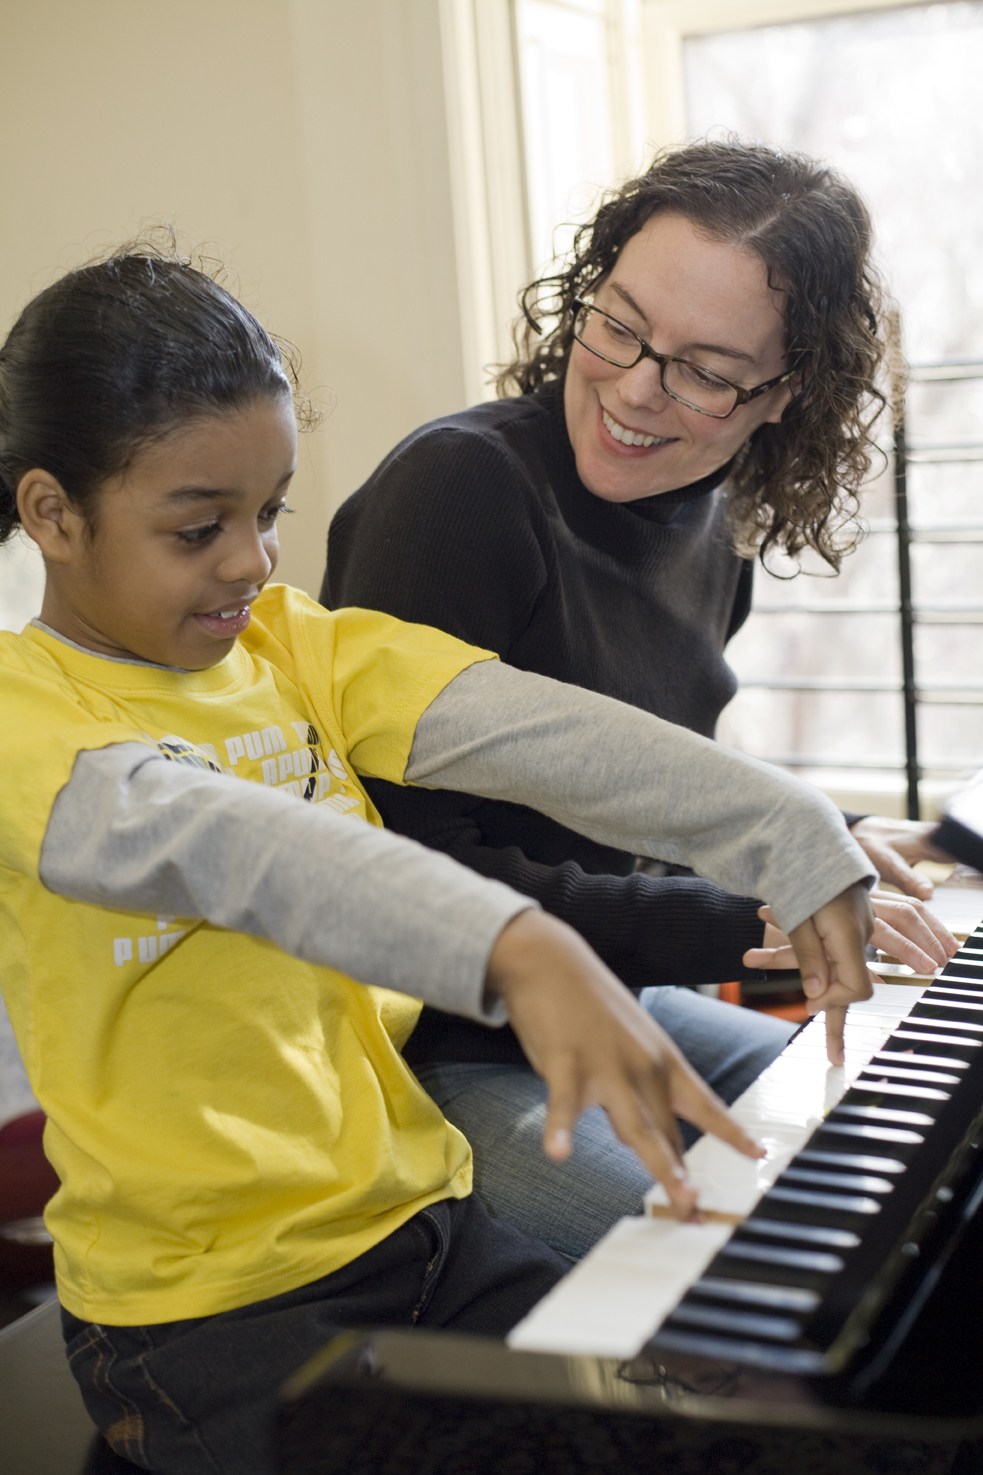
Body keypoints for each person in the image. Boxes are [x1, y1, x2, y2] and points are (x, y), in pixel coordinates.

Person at [0, 245, 877, 1475]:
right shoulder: (24, 722)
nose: (251, 561)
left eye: (269, 515)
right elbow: (242, 849)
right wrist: (509, 944)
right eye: (200, 527)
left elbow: (522, 724)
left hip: (422, 1225)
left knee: (725, 1427)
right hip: (209, 1314)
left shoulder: (284, 640)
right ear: (52, 513)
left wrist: (788, 826)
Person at [324, 138, 958, 1260]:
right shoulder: (460, 491)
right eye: (617, 325)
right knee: (740, 1260)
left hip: (608, 1001)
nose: (632, 388)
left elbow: (630, 823)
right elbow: (403, 889)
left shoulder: (715, 534)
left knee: (904, 1168)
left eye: (707, 371)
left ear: (784, 394)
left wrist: (817, 846)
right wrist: (748, 912)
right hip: (432, 1052)